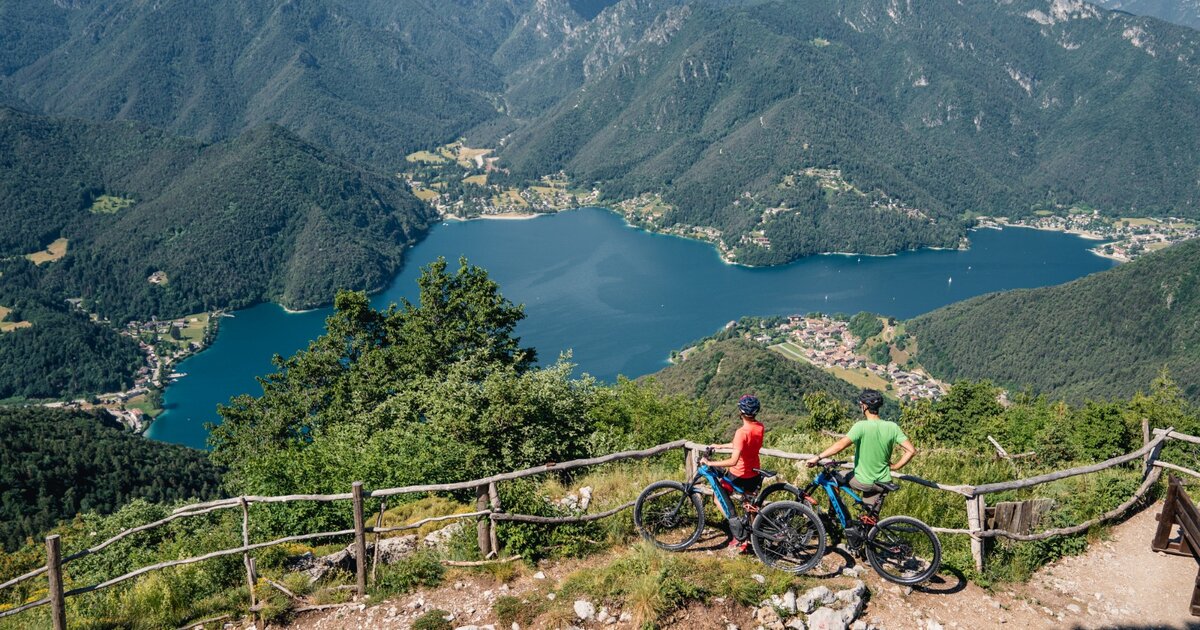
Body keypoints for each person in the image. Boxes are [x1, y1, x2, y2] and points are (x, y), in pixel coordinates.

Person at [806, 389, 916, 507]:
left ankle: (837, 515)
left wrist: (818, 457)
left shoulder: (861, 426)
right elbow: (911, 451)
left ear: (865, 406)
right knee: (869, 521)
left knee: (831, 477)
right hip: (883, 483)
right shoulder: (892, 427)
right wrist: (895, 466)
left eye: (861, 405)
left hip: (863, 481)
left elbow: (840, 445)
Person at [700, 394, 765, 549]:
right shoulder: (760, 427)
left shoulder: (741, 432)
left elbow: (733, 461)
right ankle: (754, 538)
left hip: (739, 474)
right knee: (749, 505)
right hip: (755, 473)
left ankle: (737, 531)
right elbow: (742, 445)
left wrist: (710, 462)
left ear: (741, 412)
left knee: (718, 498)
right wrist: (721, 446)